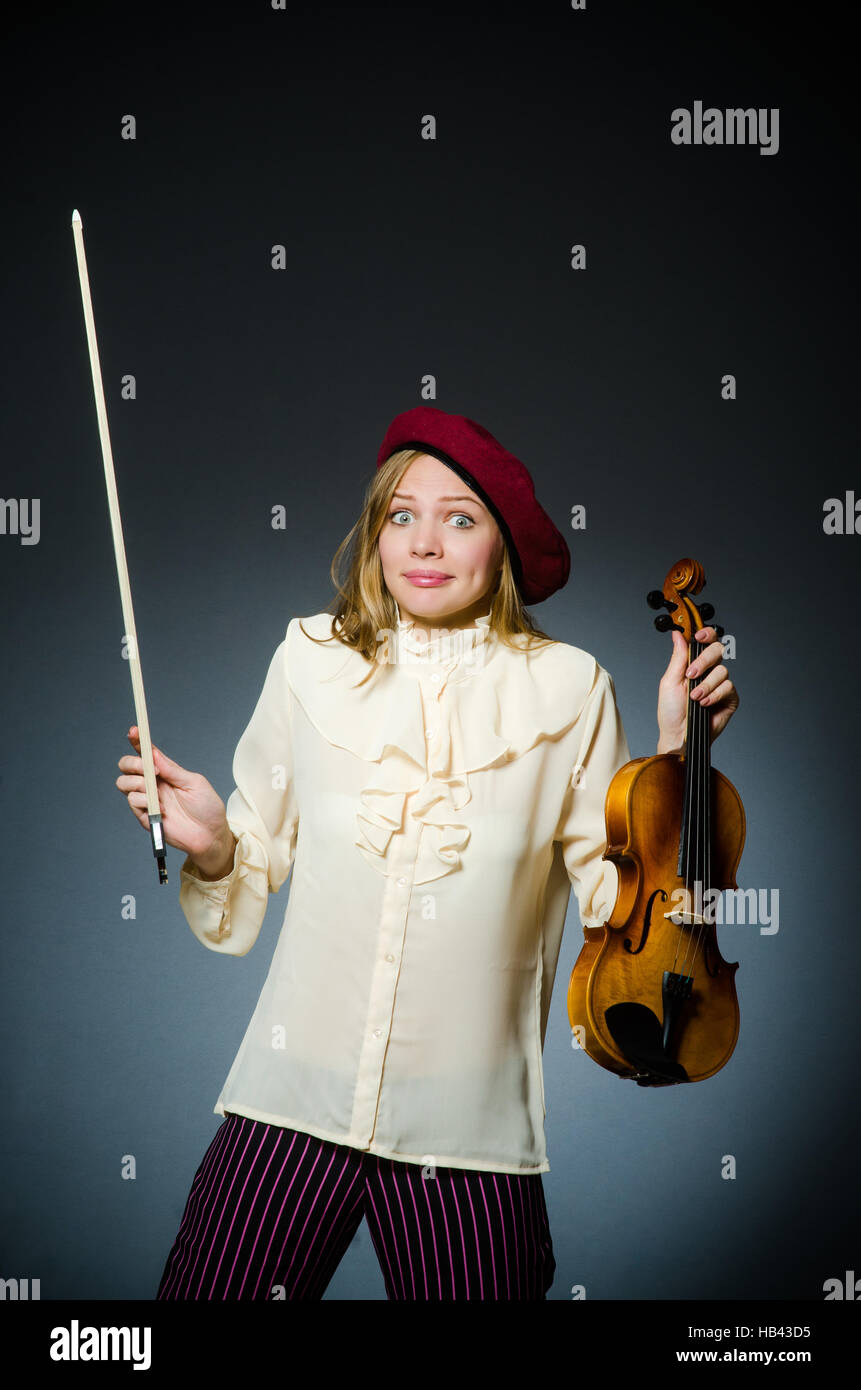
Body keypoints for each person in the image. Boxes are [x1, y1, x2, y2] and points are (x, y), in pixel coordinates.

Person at [116, 406, 738, 1301]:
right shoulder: (307, 659)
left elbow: (624, 909)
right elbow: (250, 864)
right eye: (401, 515)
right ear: (374, 535)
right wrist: (215, 844)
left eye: (460, 518)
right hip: (293, 1102)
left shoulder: (570, 689)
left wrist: (679, 761)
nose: (425, 543)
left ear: (501, 550)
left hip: (471, 1132)